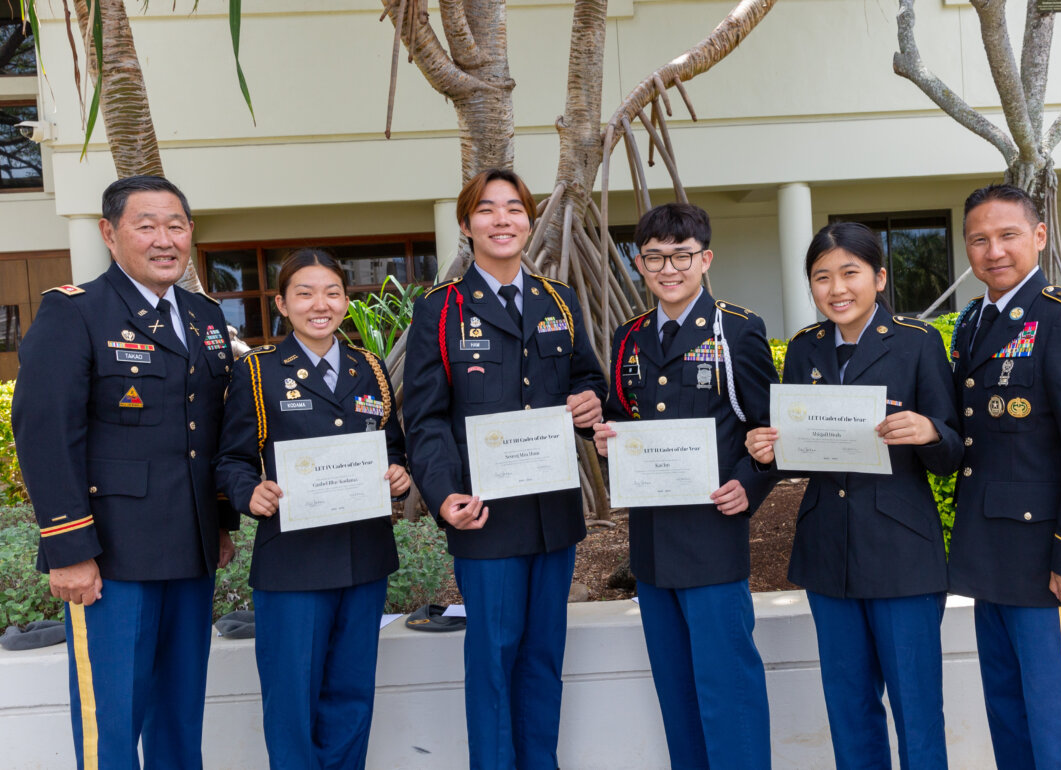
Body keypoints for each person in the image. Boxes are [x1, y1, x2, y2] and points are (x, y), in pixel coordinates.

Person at [12, 174, 236, 768]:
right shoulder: (75, 312)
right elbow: (44, 434)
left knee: (180, 719)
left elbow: (207, 433)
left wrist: (218, 523)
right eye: (146, 226)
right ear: (110, 235)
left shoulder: (205, 316)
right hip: (111, 559)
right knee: (110, 724)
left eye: (176, 225)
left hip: (189, 554)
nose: (165, 240)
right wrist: (67, 548)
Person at [403, 168, 606, 770]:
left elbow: (586, 379)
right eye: (486, 210)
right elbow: (427, 419)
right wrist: (443, 497)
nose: (502, 220)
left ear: (529, 220)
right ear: (466, 225)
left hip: (551, 517)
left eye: (514, 209)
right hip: (482, 518)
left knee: (544, 660)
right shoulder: (439, 312)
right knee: (492, 660)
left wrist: (590, 400)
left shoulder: (559, 302)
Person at [746, 222, 962, 769]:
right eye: (822, 277)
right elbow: (798, 451)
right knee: (848, 706)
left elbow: (955, 453)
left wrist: (931, 432)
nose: (836, 288)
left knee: (917, 707)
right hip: (827, 552)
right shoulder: (803, 349)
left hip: (902, 552)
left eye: (850, 273)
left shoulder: (917, 343)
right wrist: (765, 449)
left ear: (879, 278)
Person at [948, 183, 1061, 768]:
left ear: (1038, 236)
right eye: (979, 239)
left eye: (1007, 235)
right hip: (992, 562)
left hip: (1052, 567)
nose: (994, 251)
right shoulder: (974, 323)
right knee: (1014, 726)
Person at [593, 202, 776, 769]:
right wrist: (605, 441)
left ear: (705, 259)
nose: (667, 269)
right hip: (651, 547)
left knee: (729, 694)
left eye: (681, 256)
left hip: (714, 538)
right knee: (676, 695)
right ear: (639, 263)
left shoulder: (737, 330)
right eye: (653, 257)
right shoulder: (628, 338)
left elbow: (770, 429)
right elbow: (619, 417)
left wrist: (750, 485)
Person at [214, 248, 410, 769]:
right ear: (282, 303)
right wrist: (247, 492)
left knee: (351, 696)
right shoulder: (258, 372)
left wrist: (398, 471)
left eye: (332, 292)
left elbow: (392, 444)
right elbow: (231, 458)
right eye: (304, 293)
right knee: (292, 700)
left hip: (363, 557)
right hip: (292, 564)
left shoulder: (369, 367)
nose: (319, 304)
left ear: (346, 301)